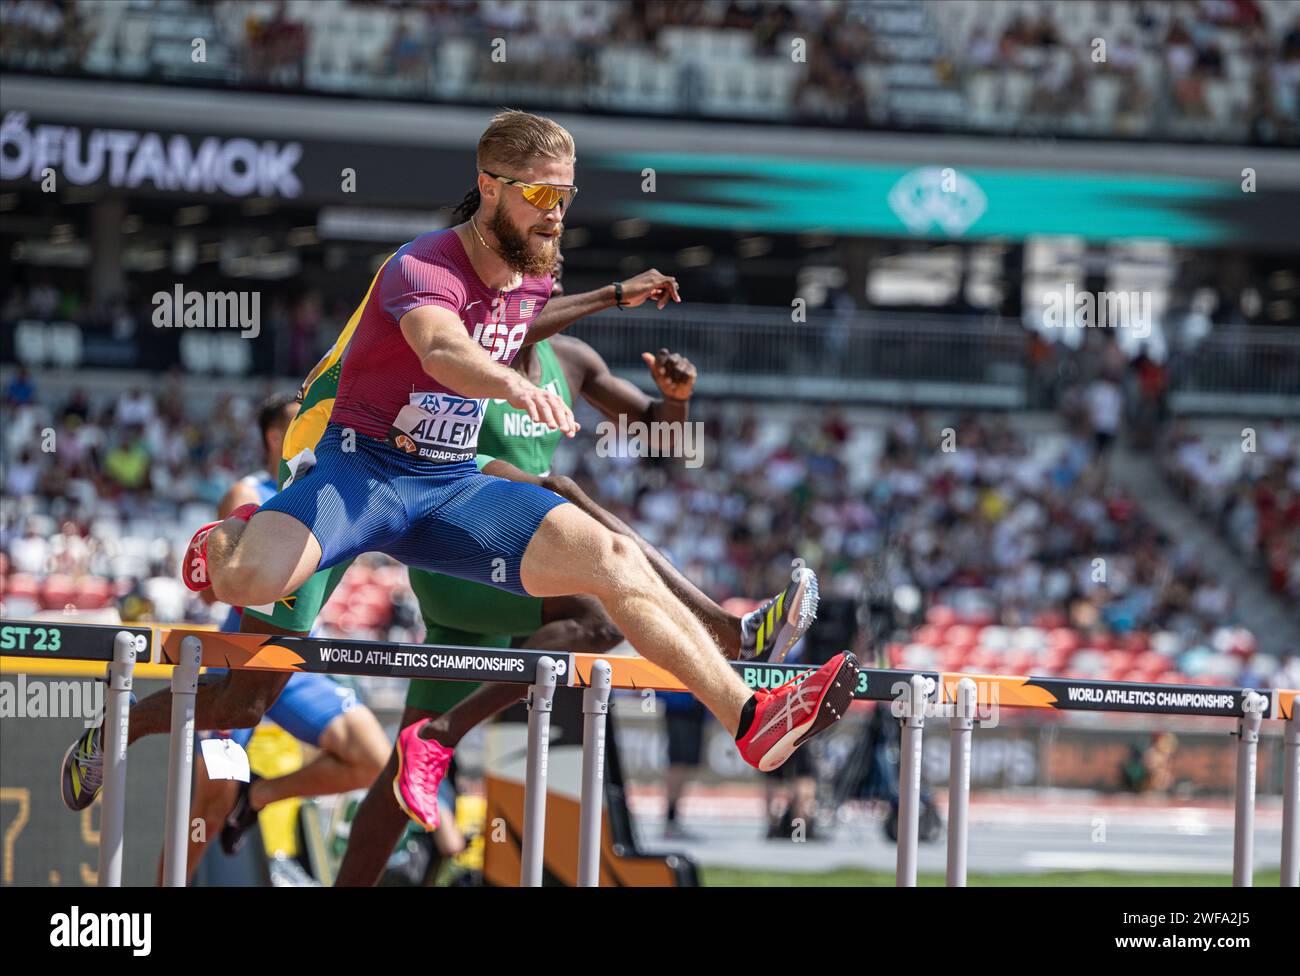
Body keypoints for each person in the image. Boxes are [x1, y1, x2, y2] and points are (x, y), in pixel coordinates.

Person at [57, 112, 848, 835]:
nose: (556, 213)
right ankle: (218, 550)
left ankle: (752, 716)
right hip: (359, 471)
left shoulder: (532, 275)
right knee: (247, 611)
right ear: (490, 187)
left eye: (566, 197)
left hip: (449, 487)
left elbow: (539, 333)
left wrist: (609, 302)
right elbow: (443, 350)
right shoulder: (419, 265)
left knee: (610, 557)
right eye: (541, 194)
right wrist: (515, 385)